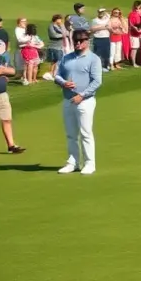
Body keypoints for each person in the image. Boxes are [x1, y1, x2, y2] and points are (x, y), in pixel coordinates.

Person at [55, 29, 103, 175]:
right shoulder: (67, 58)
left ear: (87, 41)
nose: (77, 43)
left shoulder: (93, 59)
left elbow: (97, 81)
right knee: (71, 134)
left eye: (80, 41)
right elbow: (57, 75)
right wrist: (63, 83)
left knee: (86, 133)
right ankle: (73, 162)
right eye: (75, 41)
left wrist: (82, 95)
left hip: (85, 101)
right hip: (68, 100)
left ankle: (90, 163)